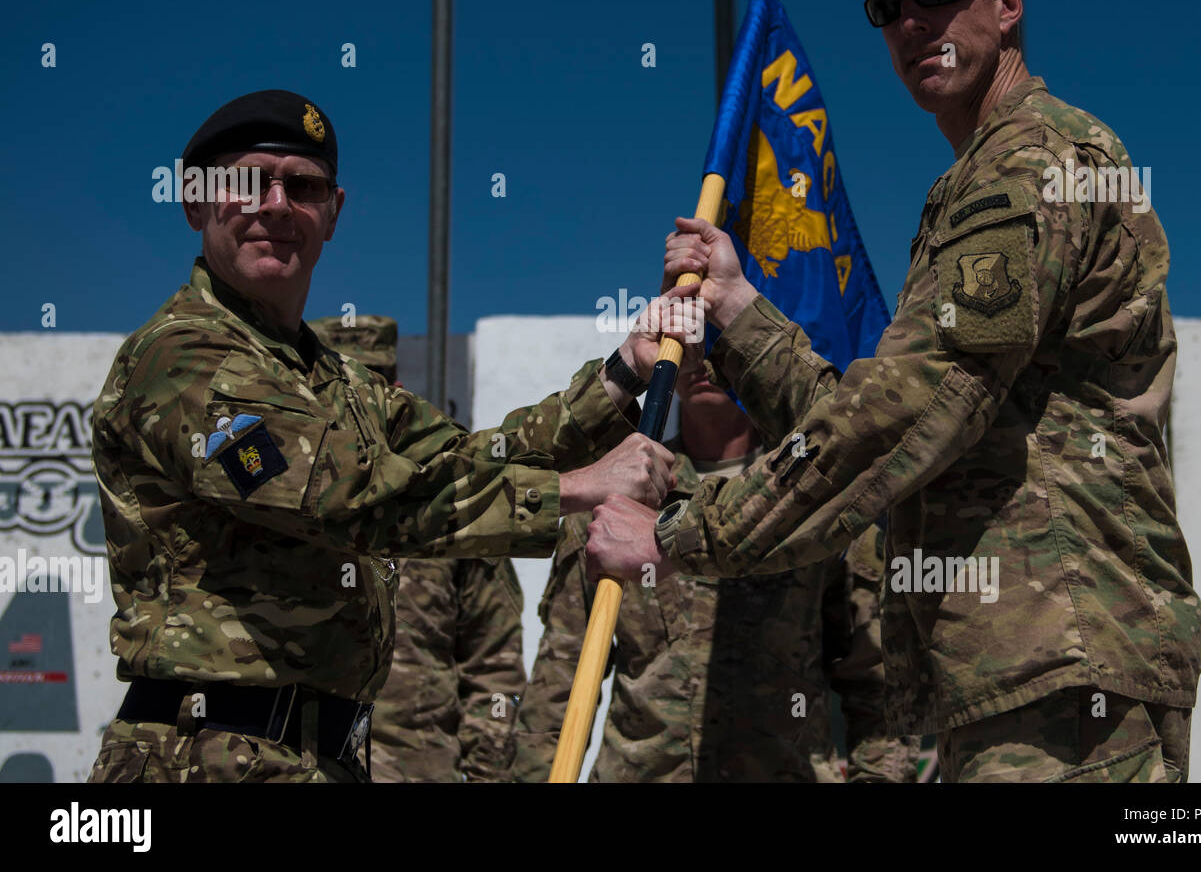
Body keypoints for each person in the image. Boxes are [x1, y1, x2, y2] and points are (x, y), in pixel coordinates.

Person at [585, 0, 1201, 783]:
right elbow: (889, 416)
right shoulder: (970, 183)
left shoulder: (1032, 165)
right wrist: (736, 306)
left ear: (1007, 1)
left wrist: (682, 533)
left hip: (1064, 670)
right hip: (1017, 671)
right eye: (889, 6)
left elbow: (912, 408)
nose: (914, 22)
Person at [87, 89, 682, 783]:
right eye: (248, 181)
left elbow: (476, 456)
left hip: (325, 757)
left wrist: (624, 371)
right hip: (203, 757)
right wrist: (576, 489)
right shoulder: (181, 359)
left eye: (302, 187)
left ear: (332, 213)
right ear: (195, 203)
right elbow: (344, 498)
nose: (275, 205)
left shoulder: (342, 384)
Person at [512, 348, 917, 783]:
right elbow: (560, 687)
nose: (701, 357)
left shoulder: (813, 500)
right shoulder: (616, 502)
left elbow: (878, 685)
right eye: (690, 338)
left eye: (720, 335)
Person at [308, 313, 527, 782]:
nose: (350, 403)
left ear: (395, 392)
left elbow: (493, 665)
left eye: (368, 385)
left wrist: (487, 774)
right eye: (332, 385)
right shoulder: (278, 502)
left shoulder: (449, 500)